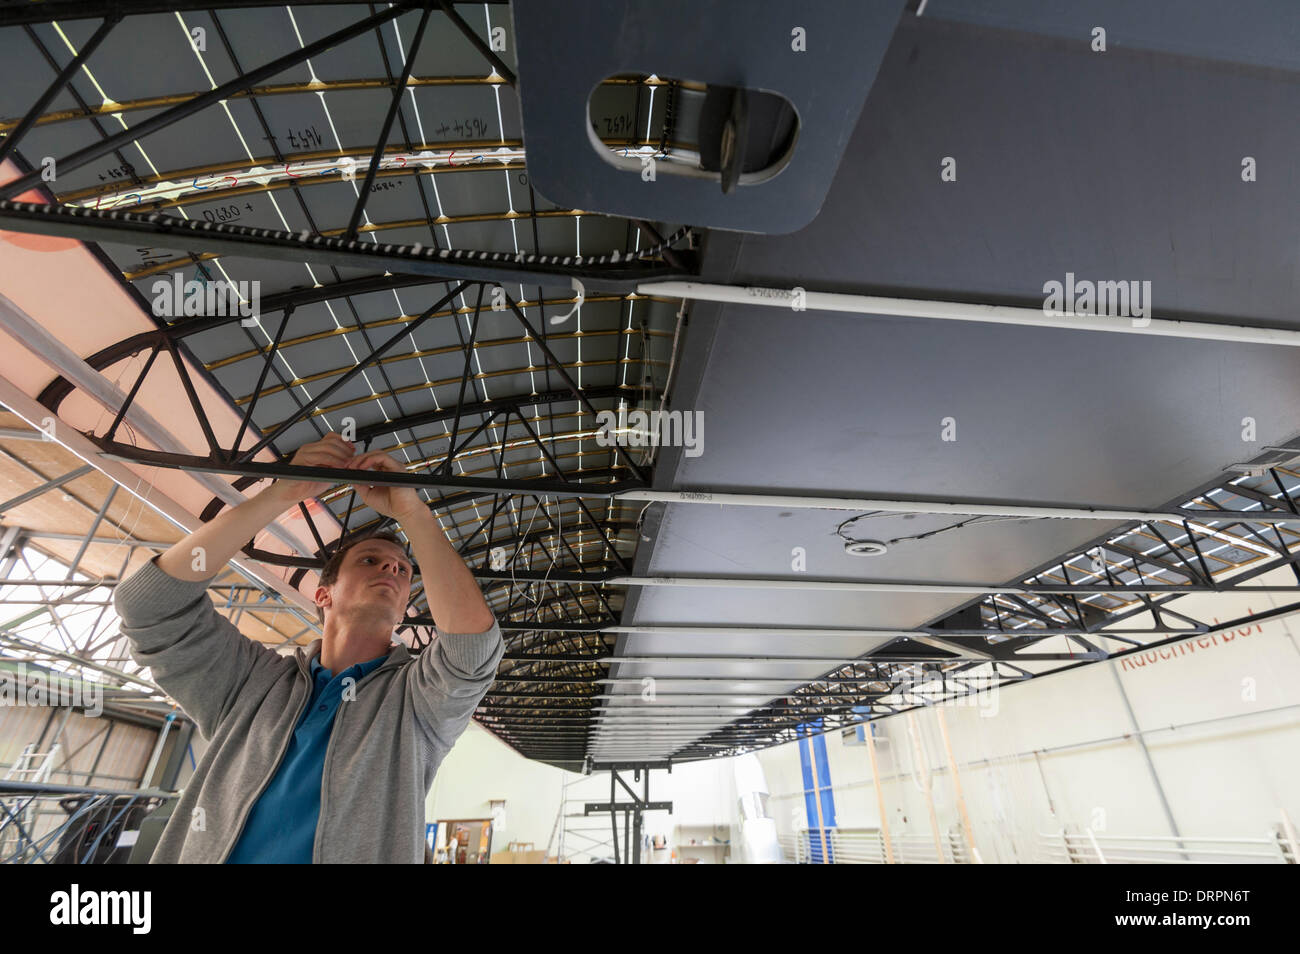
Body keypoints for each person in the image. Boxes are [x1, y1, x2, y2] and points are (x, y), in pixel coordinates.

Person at [113, 433, 502, 863]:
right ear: (323, 595)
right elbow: (150, 603)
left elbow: (472, 650)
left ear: (406, 609)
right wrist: (283, 493)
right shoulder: (252, 683)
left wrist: (413, 512)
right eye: (369, 559)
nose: (392, 566)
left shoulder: (416, 704)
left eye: (404, 569)